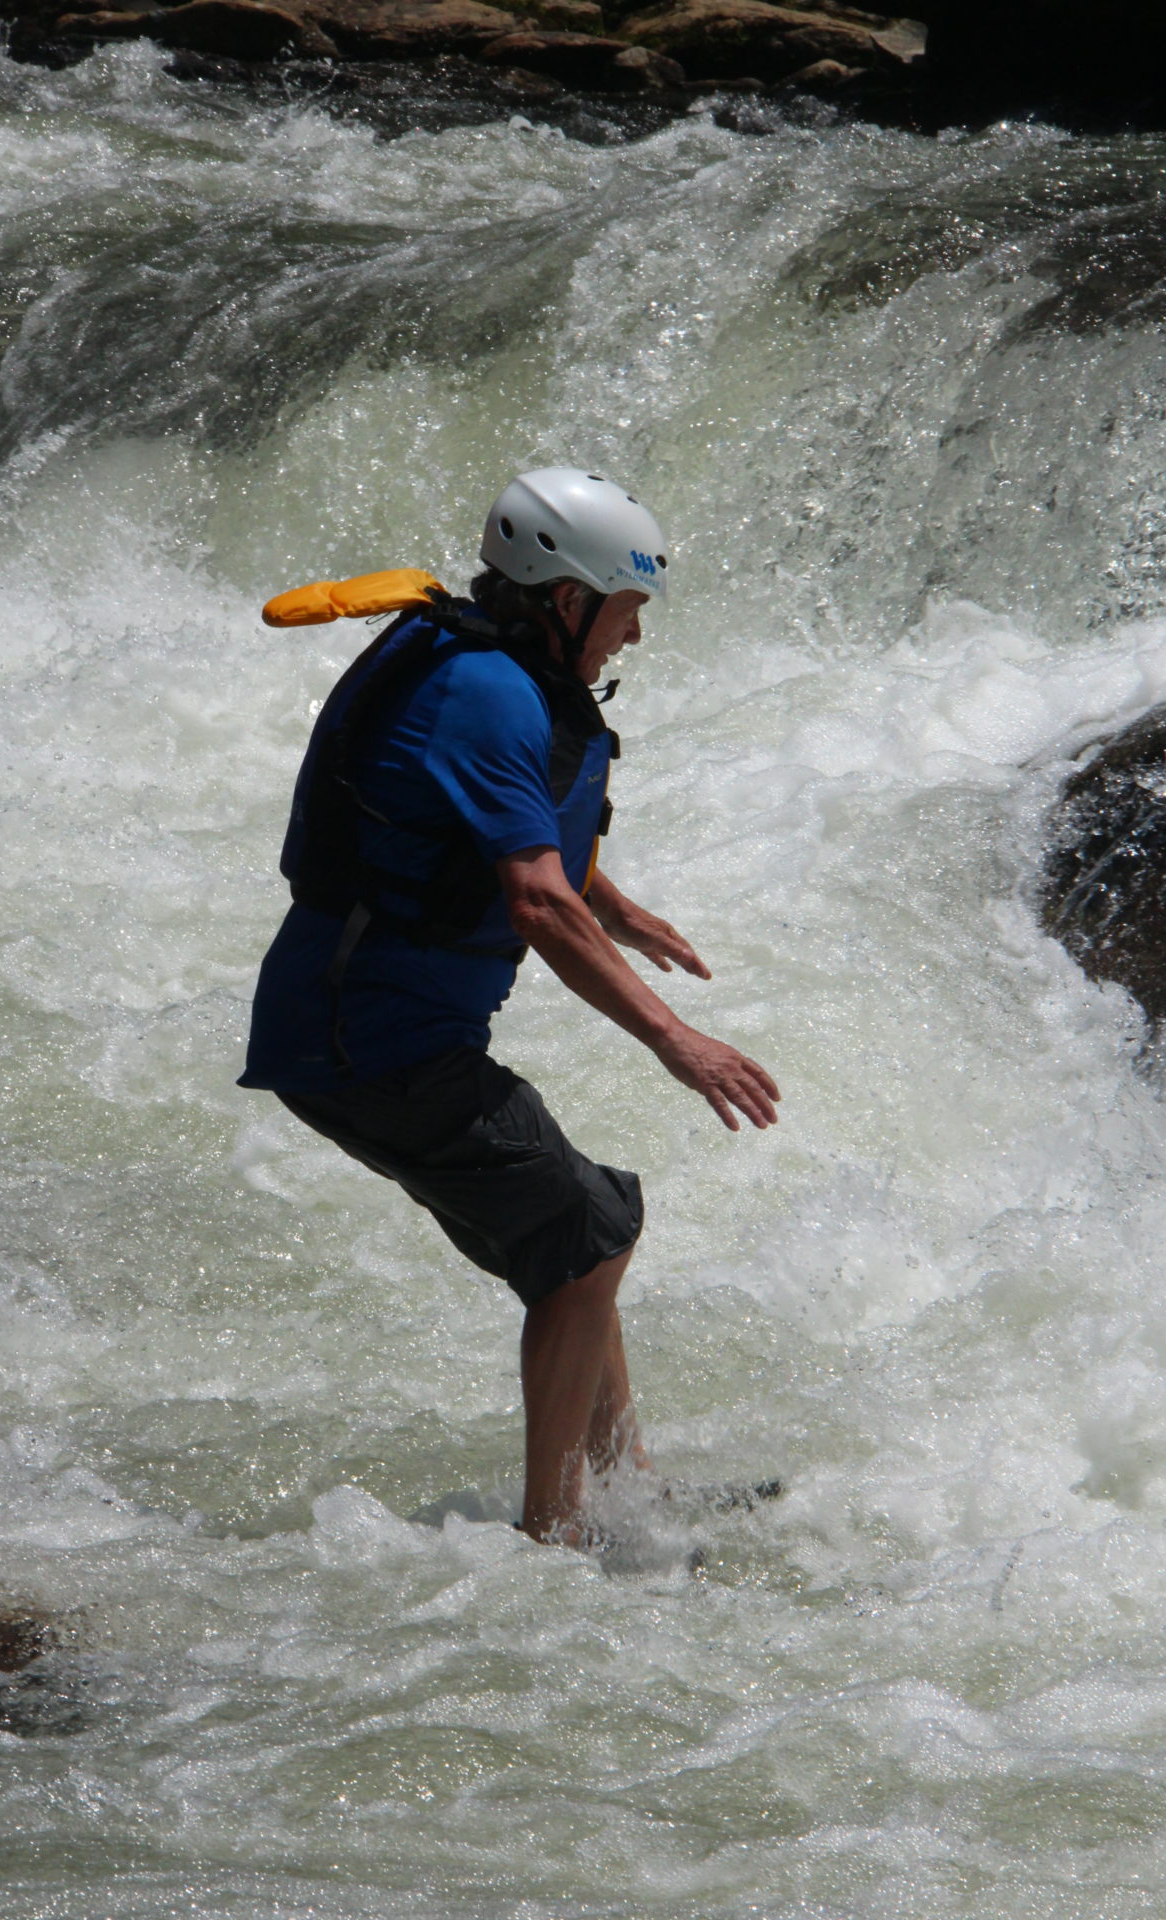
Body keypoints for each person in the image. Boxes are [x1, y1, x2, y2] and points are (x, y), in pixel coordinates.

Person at [239, 468, 780, 1548]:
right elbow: (532, 894)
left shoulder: (483, 657)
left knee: (579, 1235)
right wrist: (677, 1042)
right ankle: (556, 1534)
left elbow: (503, 835)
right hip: (368, 1038)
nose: (631, 638)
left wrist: (613, 906)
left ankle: (628, 1490)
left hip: (365, 1028)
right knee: (582, 1235)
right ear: (564, 598)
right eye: (623, 611)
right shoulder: (485, 688)